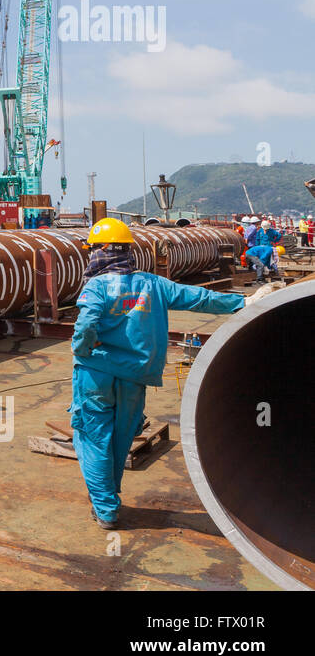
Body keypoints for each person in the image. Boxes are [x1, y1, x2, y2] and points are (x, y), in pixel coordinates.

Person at [70, 219, 245, 530]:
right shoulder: (154, 284)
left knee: (95, 439)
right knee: (121, 440)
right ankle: (107, 497)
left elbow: (86, 323)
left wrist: (82, 350)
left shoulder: (97, 286)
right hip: (136, 376)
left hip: (96, 375)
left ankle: (107, 508)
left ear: (100, 250)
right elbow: (200, 299)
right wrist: (243, 302)